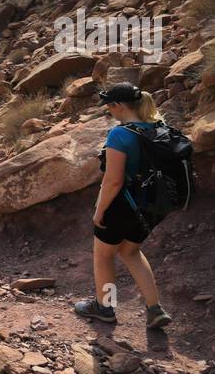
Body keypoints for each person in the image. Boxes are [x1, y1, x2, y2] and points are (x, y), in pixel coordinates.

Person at [73, 82, 172, 328]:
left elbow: (114, 180)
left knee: (104, 255)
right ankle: (154, 308)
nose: (108, 110)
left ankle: (104, 308)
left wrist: (99, 210)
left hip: (122, 205)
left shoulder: (120, 134)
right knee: (130, 251)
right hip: (151, 205)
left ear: (118, 105)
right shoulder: (159, 128)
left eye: (109, 106)